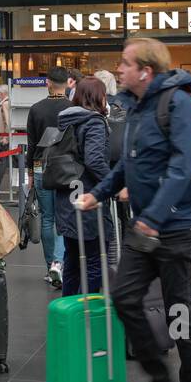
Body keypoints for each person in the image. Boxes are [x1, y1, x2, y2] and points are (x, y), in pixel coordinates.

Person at [75, 38, 191, 382]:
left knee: (179, 313)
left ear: (146, 70)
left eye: (125, 63)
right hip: (148, 225)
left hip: (181, 226)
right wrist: (98, 194)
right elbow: (127, 165)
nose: (118, 69)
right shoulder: (135, 107)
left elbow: (182, 168)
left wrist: (153, 218)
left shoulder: (180, 105)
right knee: (123, 295)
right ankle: (160, 378)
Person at [52, 77, 111, 296]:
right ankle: (88, 312)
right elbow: (94, 160)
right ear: (98, 96)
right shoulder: (94, 122)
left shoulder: (66, 120)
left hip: (66, 196)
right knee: (95, 260)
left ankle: (69, 312)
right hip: (88, 197)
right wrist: (114, 182)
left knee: (73, 259)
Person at [26, 68, 72, 288]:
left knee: (47, 218)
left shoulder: (36, 109)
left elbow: (32, 143)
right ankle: (59, 263)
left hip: (40, 166)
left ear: (47, 83)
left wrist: (29, 174)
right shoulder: (73, 109)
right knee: (63, 218)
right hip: (65, 169)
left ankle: (49, 267)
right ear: (67, 84)